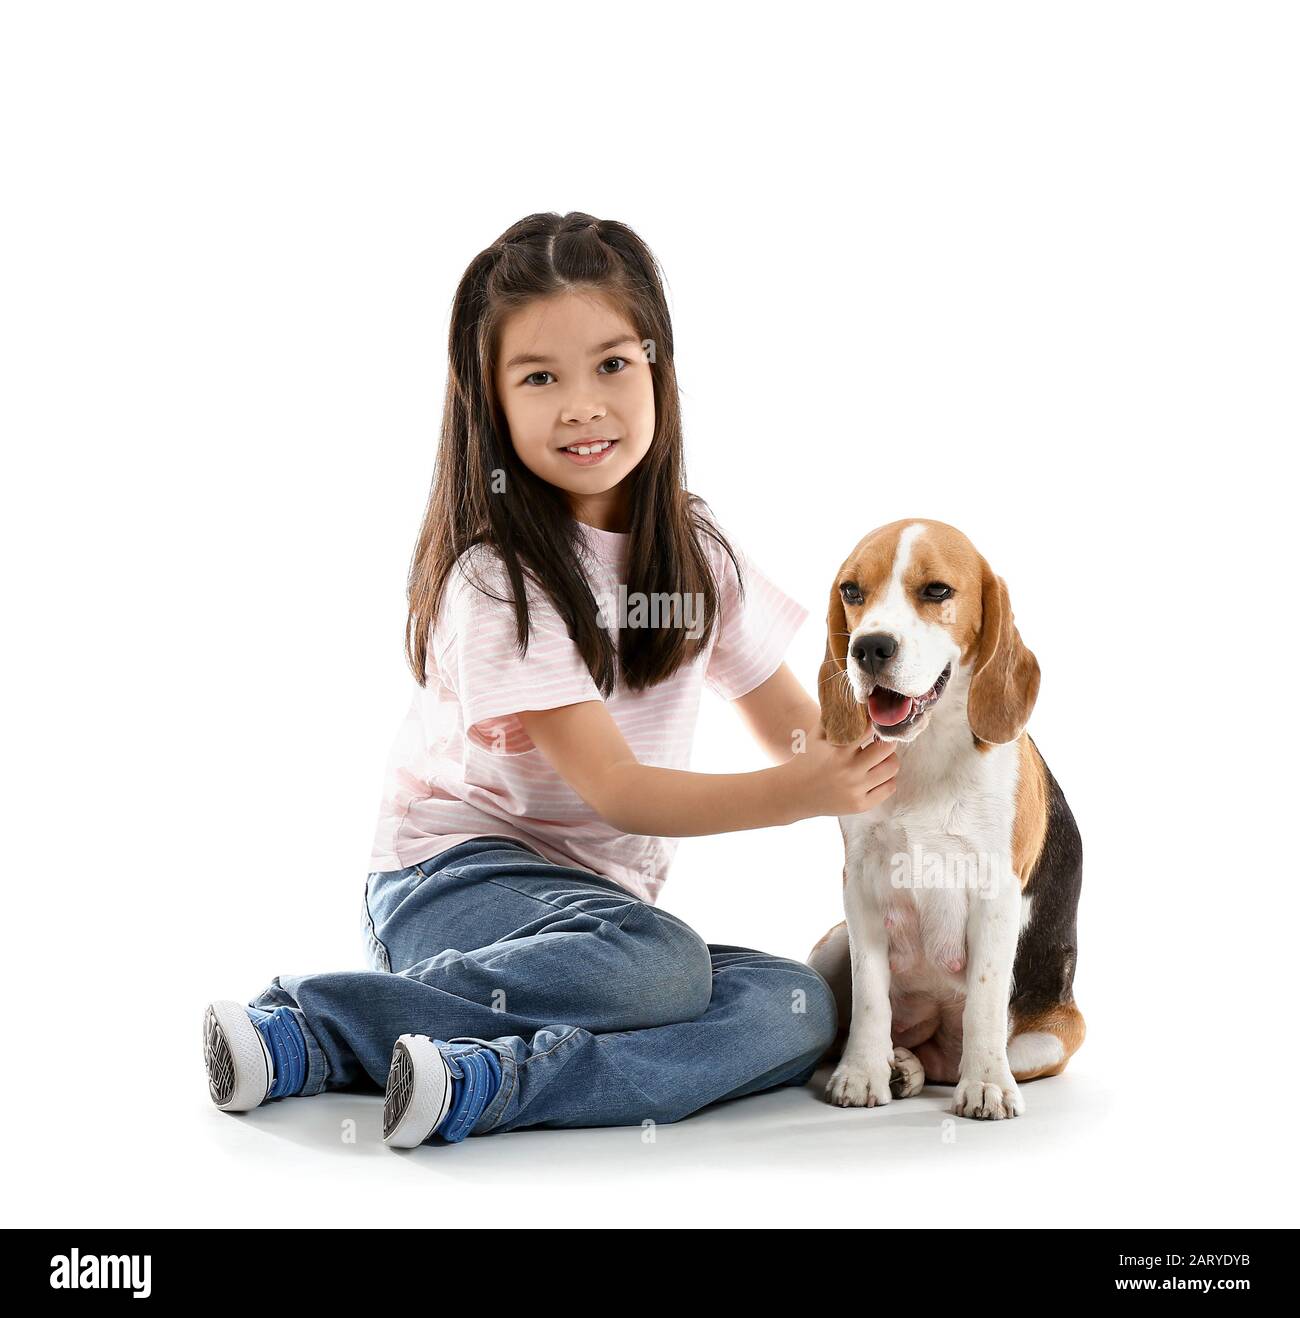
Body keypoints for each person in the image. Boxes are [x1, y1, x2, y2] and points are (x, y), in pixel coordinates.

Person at [202, 211, 898, 1147]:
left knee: (801, 1006)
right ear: (491, 402)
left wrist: (900, 750)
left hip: (593, 921)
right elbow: (619, 789)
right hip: (452, 881)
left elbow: (798, 730)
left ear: (660, 371)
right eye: (540, 378)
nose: (583, 404)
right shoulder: (498, 579)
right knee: (659, 967)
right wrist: (802, 793)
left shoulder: (697, 554)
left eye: (613, 364)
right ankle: (322, 1024)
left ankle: (485, 1080)